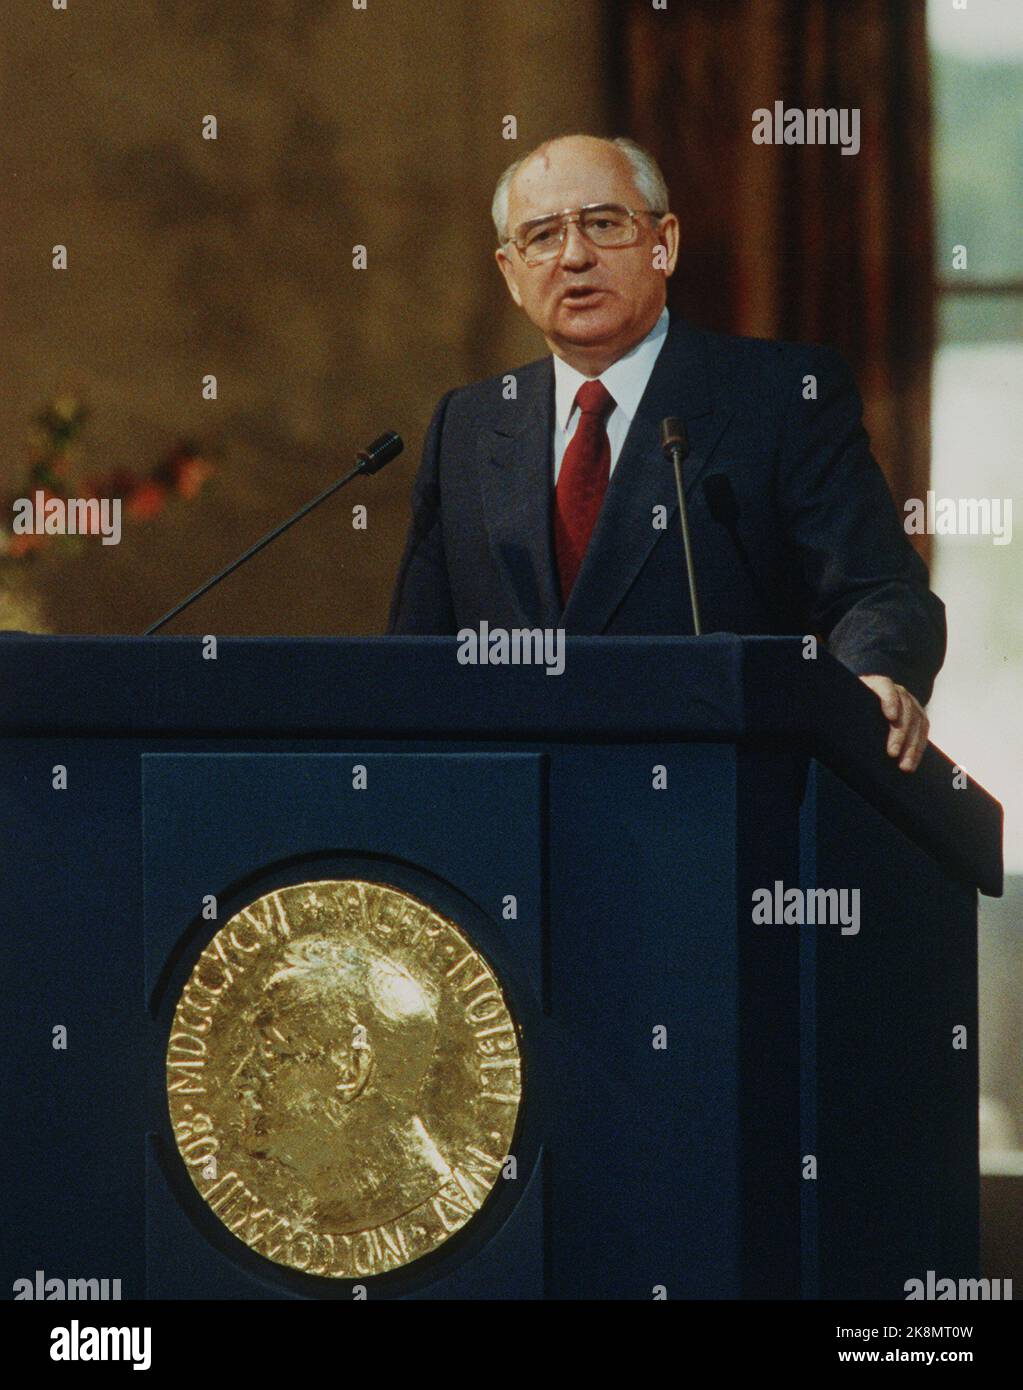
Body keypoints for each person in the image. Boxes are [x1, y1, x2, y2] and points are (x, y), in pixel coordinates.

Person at [388, 134, 945, 773]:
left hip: (717, 798)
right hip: (509, 809)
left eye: (604, 224)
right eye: (541, 236)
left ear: (665, 244)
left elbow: (878, 592)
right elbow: (412, 658)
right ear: (511, 274)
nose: (574, 256)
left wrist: (871, 681)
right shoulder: (467, 426)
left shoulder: (781, 397)